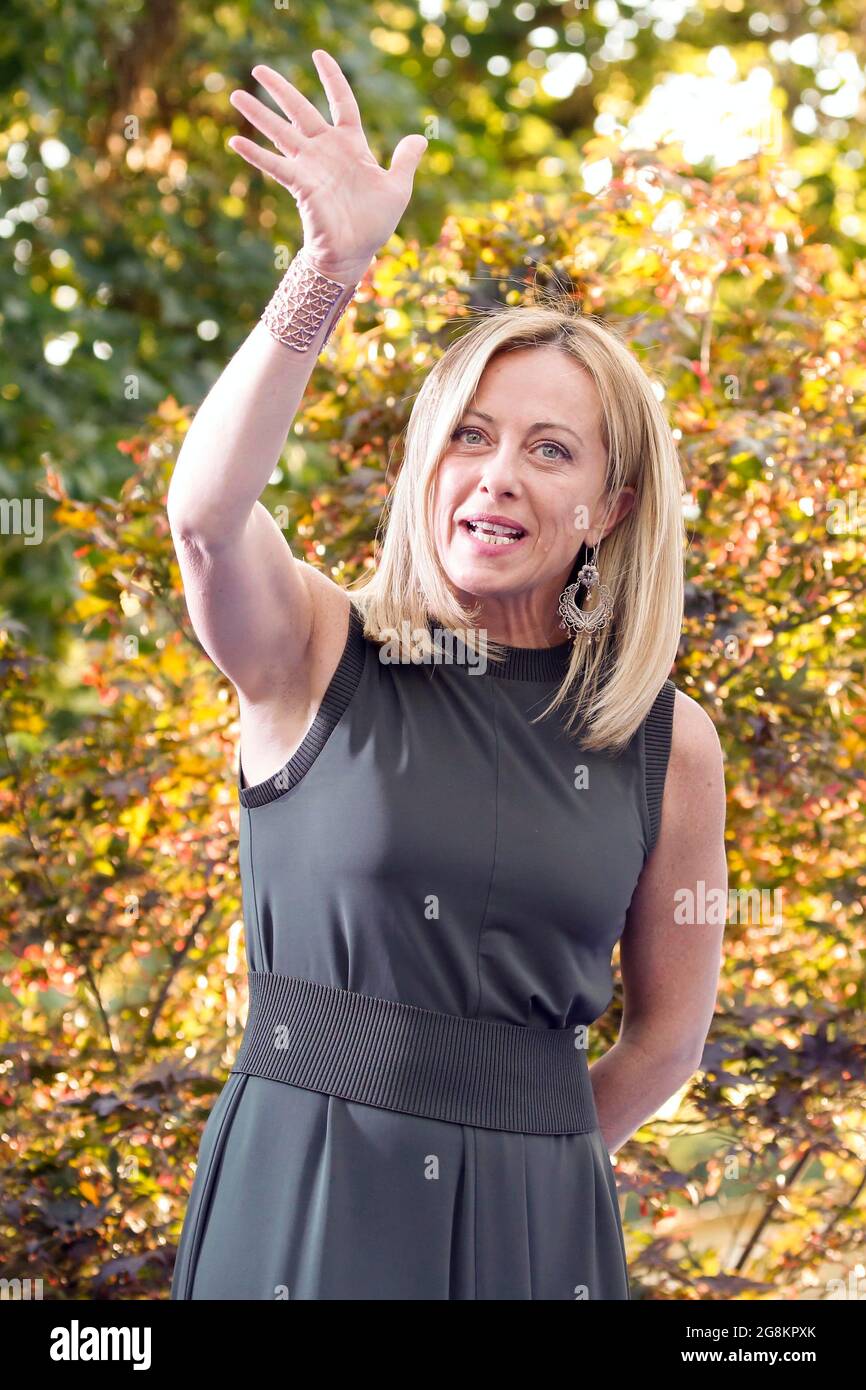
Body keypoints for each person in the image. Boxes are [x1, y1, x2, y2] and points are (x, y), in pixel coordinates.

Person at [167, 50, 727, 1301]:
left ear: (608, 505)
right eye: (468, 436)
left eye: (546, 448)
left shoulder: (663, 740)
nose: (496, 475)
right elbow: (206, 514)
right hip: (300, 1193)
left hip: (541, 1223)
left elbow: (665, 1041)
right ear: (427, 464)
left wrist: (518, 1161)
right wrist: (326, 272)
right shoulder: (315, 650)